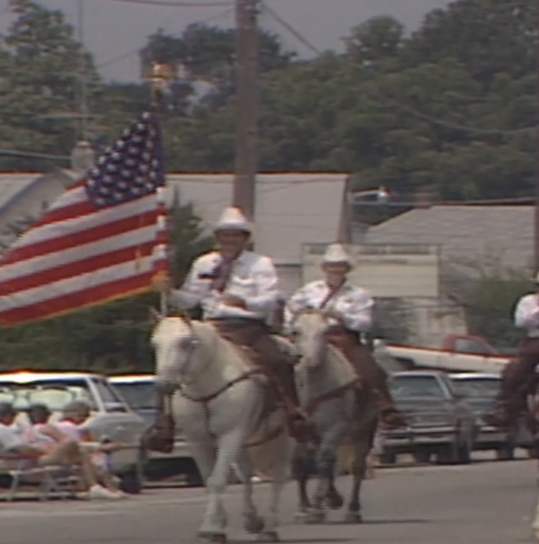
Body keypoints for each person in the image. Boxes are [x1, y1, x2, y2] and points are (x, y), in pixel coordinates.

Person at [153, 207, 311, 448]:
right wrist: (170, 291)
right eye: (224, 235)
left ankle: (293, 411)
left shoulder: (260, 264)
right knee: (173, 358)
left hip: (247, 326)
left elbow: (270, 300)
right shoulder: (204, 262)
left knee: (276, 359)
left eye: (235, 235)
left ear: (245, 238)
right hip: (211, 325)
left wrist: (244, 301)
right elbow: (190, 299)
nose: (229, 240)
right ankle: (165, 423)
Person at [285, 242, 406, 428]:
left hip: (343, 338)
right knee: (285, 362)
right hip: (309, 335)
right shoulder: (309, 290)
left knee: (369, 366)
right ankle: (285, 404)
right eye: (331, 266)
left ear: (347, 269)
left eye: (340, 266)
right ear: (324, 269)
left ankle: (385, 405)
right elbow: (291, 310)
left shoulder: (359, 294)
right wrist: (293, 326)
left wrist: (343, 318)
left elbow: (365, 322)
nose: (335, 270)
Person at [0, 402, 122, 500]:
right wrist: (44, 451)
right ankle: (98, 487)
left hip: (30, 461)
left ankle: (93, 487)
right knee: (71, 443)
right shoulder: (1, 430)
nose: (15, 418)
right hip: (30, 463)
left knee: (81, 453)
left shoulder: (22, 429)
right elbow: (22, 449)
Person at [482, 265, 539, 427]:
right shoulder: (529, 301)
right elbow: (521, 322)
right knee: (516, 369)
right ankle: (504, 406)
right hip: (536, 341)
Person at [53, 401, 128, 497]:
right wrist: (102, 447)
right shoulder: (69, 427)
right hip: (67, 457)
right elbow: (77, 445)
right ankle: (109, 488)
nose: (84, 419)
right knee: (97, 459)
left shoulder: (59, 426)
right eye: (82, 416)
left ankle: (105, 487)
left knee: (95, 457)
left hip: (65, 455)